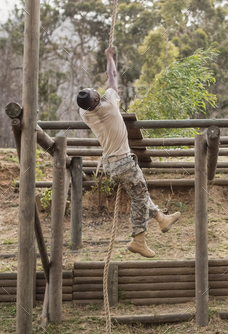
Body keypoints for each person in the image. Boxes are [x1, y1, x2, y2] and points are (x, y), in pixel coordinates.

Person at [76, 46, 181, 258]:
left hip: (110, 165)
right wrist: (110, 57)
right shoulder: (109, 106)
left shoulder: (85, 113)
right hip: (123, 161)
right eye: (96, 92)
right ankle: (138, 240)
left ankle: (161, 219)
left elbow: (105, 85)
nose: (98, 90)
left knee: (138, 193)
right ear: (97, 100)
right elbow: (112, 78)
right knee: (140, 198)